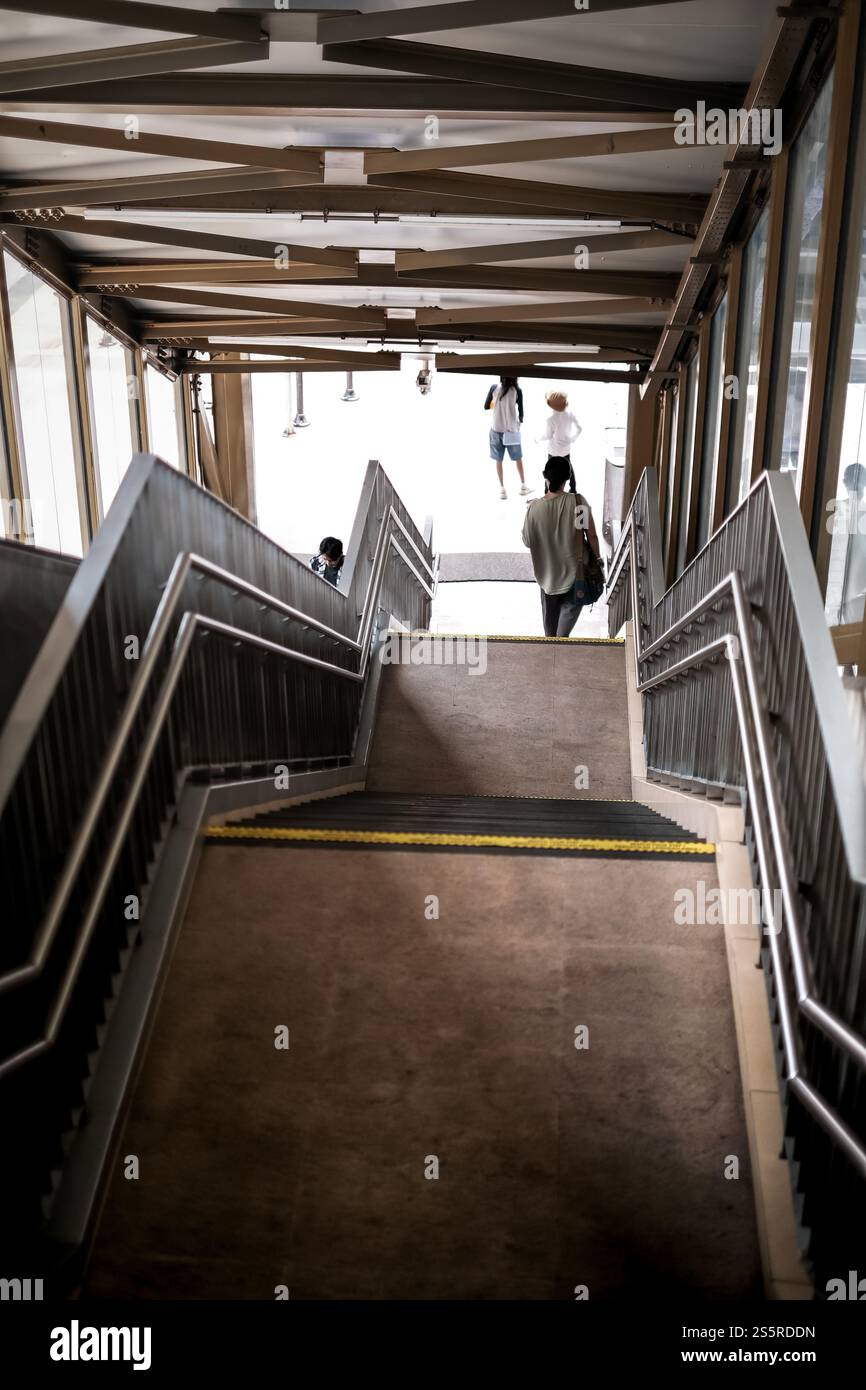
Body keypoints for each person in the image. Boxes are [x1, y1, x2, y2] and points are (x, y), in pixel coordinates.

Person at [521, 457, 602, 638]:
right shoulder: (578, 504)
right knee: (562, 634)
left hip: (547, 580)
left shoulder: (534, 509)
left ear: (546, 478)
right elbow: (592, 536)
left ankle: (551, 652)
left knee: (549, 634)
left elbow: (527, 541)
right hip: (576, 578)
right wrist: (598, 560)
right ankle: (561, 647)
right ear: (567, 479)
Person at [484, 375, 533, 500]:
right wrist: (516, 422)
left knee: (498, 460)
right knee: (518, 459)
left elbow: (486, 406)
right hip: (511, 430)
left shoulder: (494, 388)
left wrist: (498, 404)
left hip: (496, 429)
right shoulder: (517, 390)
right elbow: (521, 413)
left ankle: (502, 490)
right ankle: (523, 486)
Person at [538, 389, 581, 493]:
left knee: (549, 470)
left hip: (553, 450)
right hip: (565, 449)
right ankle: (573, 488)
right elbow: (579, 429)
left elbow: (548, 436)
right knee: (569, 468)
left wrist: (538, 438)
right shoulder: (570, 415)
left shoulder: (551, 419)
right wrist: (572, 439)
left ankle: (547, 490)